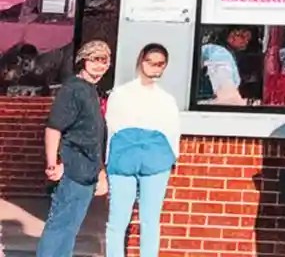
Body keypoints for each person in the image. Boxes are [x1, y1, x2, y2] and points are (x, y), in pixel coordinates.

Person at [36, 40, 112, 257]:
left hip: (87, 171)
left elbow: (93, 137)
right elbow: (53, 127)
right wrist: (54, 163)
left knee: (69, 229)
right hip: (72, 170)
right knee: (60, 227)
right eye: (94, 59)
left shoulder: (92, 91)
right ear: (83, 60)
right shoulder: (72, 89)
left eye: (104, 60)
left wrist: (99, 172)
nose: (99, 65)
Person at [104, 44, 181, 257]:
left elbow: (173, 131)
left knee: (150, 220)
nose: (155, 68)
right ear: (141, 61)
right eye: (151, 62)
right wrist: (109, 160)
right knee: (118, 219)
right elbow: (112, 126)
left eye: (160, 64)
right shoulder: (121, 93)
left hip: (155, 159)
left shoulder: (166, 99)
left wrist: (171, 158)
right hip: (123, 158)